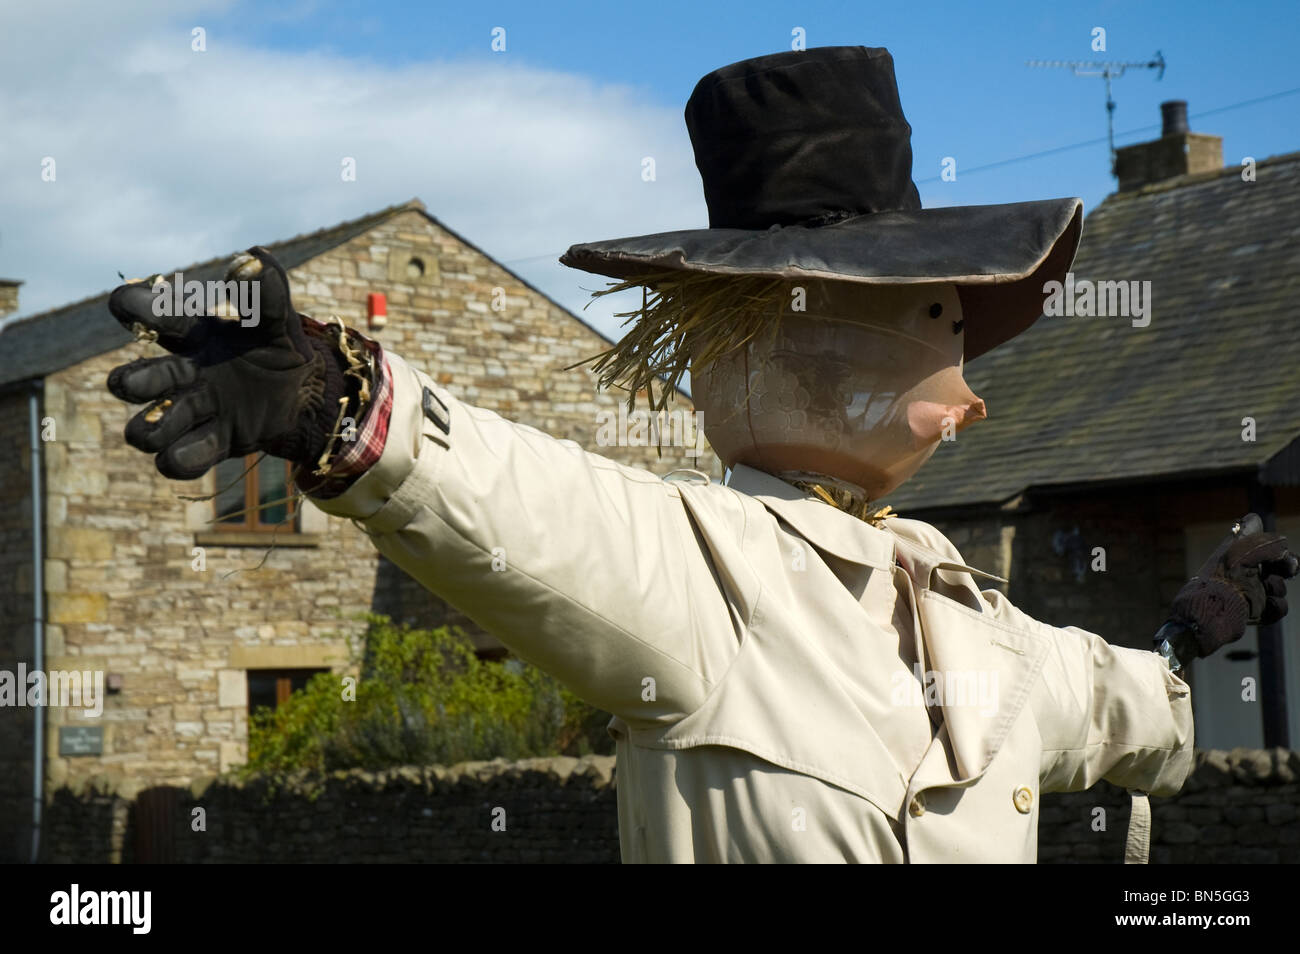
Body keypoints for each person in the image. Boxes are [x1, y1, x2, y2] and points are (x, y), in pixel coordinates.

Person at [105, 46, 1295, 863]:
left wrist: (1193, 626)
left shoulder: (969, 607)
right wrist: (327, 395)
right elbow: (523, 503)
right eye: (946, 334)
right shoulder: (708, 578)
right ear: (819, 330)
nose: (970, 403)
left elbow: (1114, 700)